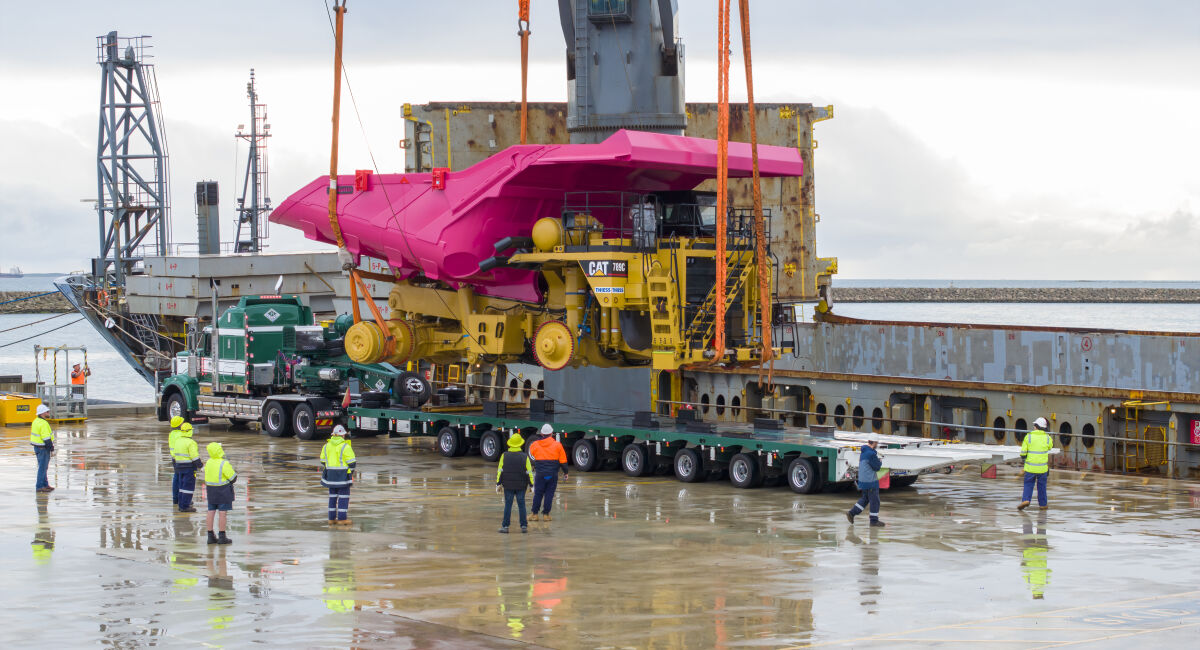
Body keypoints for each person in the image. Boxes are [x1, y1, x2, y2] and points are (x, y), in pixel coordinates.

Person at [528, 423, 568, 522]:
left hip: (540, 474)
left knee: (538, 494)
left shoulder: (535, 445)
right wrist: (565, 472)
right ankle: (546, 515)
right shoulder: (557, 445)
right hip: (552, 475)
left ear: (542, 433)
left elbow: (532, 452)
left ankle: (534, 514)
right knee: (549, 494)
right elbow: (563, 461)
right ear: (551, 433)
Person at [496, 432, 534, 534]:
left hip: (508, 485)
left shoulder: (504, 455)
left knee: (508, 505)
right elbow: (529, 472)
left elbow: (500, 470)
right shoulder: (524, 456)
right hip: (521, 485)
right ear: (520, 444)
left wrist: (498, 483)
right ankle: (524, 526)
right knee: (522, 505)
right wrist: (531, 485)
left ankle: (505, 526)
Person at [320, 425, 357, 526]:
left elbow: (322, 461)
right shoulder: (345, 447)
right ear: (343, 435)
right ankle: (342, 519)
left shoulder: (326, 446)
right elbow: (352, 463)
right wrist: (350, 473)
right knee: (343, 498)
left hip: (330, 478)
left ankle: (331, 519)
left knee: (332, 497)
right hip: (343, 478)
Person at [847, 432, 885, 527]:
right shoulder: (871, 454)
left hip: (863, 482)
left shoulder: (863, 452)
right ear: (874, 443)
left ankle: (851, 513)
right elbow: (877, 467)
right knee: (875, 501)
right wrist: (880, 461)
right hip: (871, 482)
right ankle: (874, 521)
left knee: (865, 499)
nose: (877, 445)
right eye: (877, 443)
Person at [202, 442, 237, 545]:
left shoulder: (208, 462)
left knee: (210, 511)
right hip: (223, 490)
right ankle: (222, 536)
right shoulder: (224, 463)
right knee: (222, 513)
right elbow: (233, 477)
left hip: (211, 490)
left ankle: (210, 536)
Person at [1019, 417, 1054, 511]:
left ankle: (1026, 500)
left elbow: (1023, 452)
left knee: (1028, 484)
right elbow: (1050, 447)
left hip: (1030, 468)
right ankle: (1043, 504)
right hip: (1042, 469)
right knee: (1042, 487)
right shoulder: (1047, 438)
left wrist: (1023, 458)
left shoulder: (1028, 436)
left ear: (1036, 426)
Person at [170, 422, 202, 513]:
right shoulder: (191, 442)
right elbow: (194, 457)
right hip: (189, 468)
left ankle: (181, 505)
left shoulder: (178, 441)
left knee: (181, 487)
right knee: (188, 488)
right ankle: (185, 506)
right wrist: (200, 465)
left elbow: (175, 454)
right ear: (189, 431)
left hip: (179, 467)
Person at [31, 404, 55, 492]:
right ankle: (40, 486)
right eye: (47, 411)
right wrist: (51, 448)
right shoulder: (43, 423)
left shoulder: (36, 421)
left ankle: (45, 484)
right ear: (42, 413)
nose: (48, 412)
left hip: (37, 448)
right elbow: (46, 438)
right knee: (43, 467)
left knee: (43, 467)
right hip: (43, 448)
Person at [168, 416, 185, 505]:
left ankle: (175, 498)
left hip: (174, 458)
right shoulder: (181, 434)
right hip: (181, 459)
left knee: (176, 478)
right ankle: (183, 498)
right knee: (183, 480)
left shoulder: (172, 434)